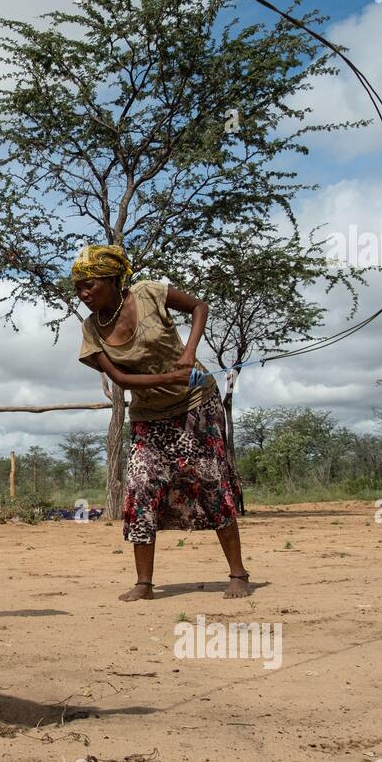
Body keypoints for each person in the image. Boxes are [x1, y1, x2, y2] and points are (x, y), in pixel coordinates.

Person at [72, 245, 250, 601]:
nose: (84, 294)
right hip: (148, 417)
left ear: (112, 279)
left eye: (90, 285)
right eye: (78, 288)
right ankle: (144, 583)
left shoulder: (150, 293)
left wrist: (189, 355)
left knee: (212, 483)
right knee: (140, 490)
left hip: (196, 406)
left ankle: (238, 573)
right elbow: (121, 380)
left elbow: (200, 306)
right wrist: (167, 379)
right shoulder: (91, 328)